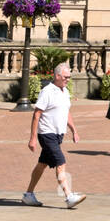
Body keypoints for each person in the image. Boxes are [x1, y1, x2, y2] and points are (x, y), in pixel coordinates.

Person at [23, 62, 85, 208]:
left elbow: (66, 112)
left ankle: (28, 195)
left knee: (42, 164)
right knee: (60, 162)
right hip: (46, 133)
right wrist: (32, 139)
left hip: (58, 135)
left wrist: (74, 130)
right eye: (65, 77)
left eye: (69, 77)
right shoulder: (47, 91)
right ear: (57, 76)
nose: (68, 79)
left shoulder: (65, 91)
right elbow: (37, 114)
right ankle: (69, 196)